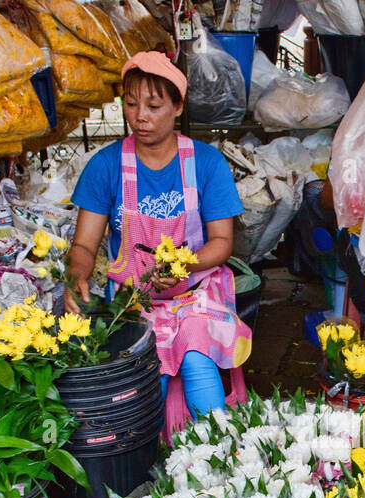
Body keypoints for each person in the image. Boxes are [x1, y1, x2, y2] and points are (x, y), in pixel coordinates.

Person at [65, 51, 248, 433]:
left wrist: (182, 265)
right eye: (131, 105)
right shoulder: (106, 165)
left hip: (196, 290)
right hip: (133, 297)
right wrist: (76, 277)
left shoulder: (207, 164)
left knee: (197, 353)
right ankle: (155, 462)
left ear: (177, 106)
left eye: (153, 105)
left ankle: (222, 449)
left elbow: (221, 242)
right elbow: (84, 245)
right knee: (148, 366)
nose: (140, 116)